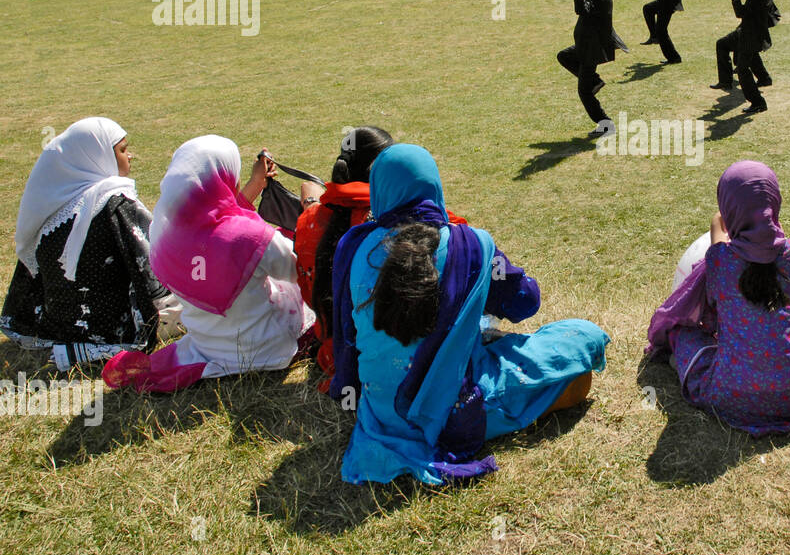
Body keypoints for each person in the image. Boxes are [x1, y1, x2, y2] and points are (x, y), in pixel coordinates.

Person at [329, 145, 607, 485]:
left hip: (379, 416)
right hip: (457, 414)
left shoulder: (353, 247)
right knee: (582, 340)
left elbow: (347, 337)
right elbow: (525, 303)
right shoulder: (471, 245)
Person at [647, 161, 790, 435]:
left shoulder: (720, 261)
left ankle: (687, 366)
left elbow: (718, 244)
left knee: (683, 335)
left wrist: (720, 220)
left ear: (728, 213)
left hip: (729, 398)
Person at [103, 136, 316, 392]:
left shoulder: (164, 234)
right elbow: (301, 271)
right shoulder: (252, 237)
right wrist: (311, 213)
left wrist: (255, 185)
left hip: (209, 344)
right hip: (266, 349)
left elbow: (216, 230)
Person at [3, 118, 181, 371]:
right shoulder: (115, 202)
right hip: (112, 327)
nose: (130, 156)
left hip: (60, 325)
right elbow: (154, 269)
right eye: (122, 150)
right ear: (96, 156)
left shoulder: (52, 204)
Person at [292, 126, 461, 389]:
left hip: (333, 356)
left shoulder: (309, 224)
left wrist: (311, 201)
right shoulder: (410, 226)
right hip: (401, 359)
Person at [557, 0, 625, 137]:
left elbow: (580, 10)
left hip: (591, 50)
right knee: (564, 56)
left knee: (584, 92)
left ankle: (606, 125)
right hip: (585, 46)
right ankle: (594, 81)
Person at [712, 0, 772, 114]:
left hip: (750, 36)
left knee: (743, 70)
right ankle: (726, 81)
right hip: (745, 32)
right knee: (722, 44)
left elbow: (741, 12)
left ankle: (758, 102)